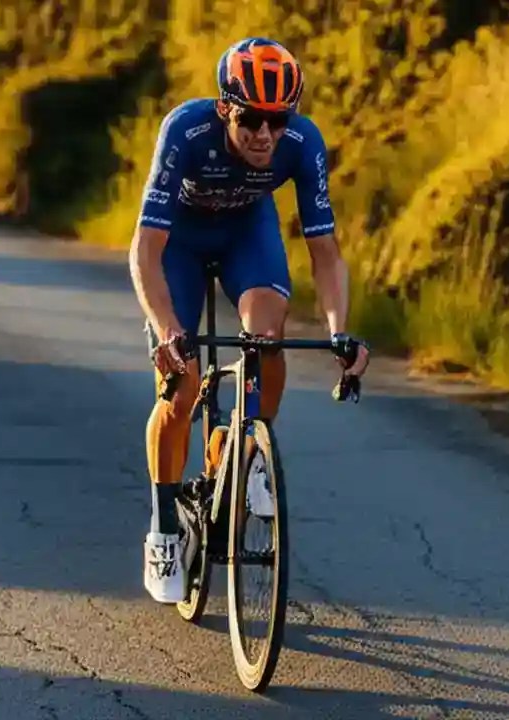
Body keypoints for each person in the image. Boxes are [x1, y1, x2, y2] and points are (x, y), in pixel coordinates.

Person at [129, 37, 371, 603]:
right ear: (224, 109)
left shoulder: (303, 143)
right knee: (180, 387)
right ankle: (164, 531)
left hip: (245, 235)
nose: (265, 134)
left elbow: (326, 253)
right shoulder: (185, 131)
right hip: (179, 244)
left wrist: (338, 331)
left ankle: (250, 454)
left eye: (278, 120)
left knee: (266, 336)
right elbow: (145, 249)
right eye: (251, 119)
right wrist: (168, 330)